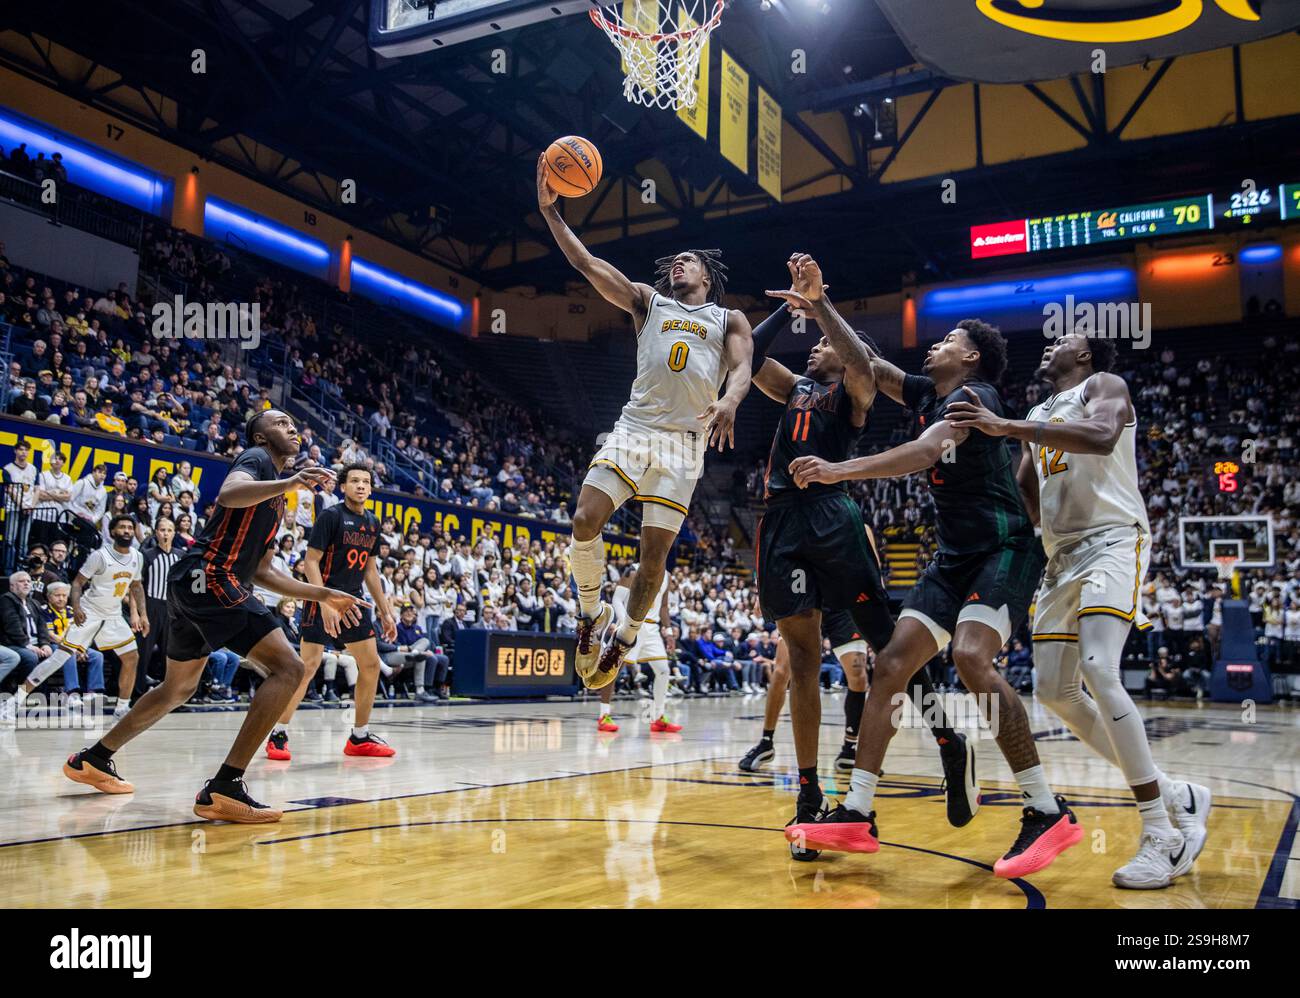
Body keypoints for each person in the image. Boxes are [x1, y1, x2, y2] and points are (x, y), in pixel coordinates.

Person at [784, 309, 1076, 879]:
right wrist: (820, 304)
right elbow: (864, 363)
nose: (934, 345)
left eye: (947, 340)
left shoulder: (973, 394)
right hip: (951, 561)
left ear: (969, 356)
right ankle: (858, 813)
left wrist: (839, 470)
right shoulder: (925, 389)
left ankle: (1046, 808)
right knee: (890, 664)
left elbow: (923, 453)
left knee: (969, 655)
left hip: (1004, 550)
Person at [947, 332, 1212, 888]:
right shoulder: (1039, 413)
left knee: (1098, 669)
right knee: (1053, 692)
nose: (1048, 345)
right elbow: (1022, 493)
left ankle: (1161, 832)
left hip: (1114, 540)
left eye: (1062, 340)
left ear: (1085, 355)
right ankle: (1177, 794)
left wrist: (1008, 428)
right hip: (1060, 557)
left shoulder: (1103, 385)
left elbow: (1101, 434)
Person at [750, 254, 977, 847]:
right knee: (800, 659)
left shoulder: (855, 387)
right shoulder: (793, 388)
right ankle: (807, 789)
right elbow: (744, 355)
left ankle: (947, 738)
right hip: (780, 523)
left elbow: (855, 361)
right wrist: (789, 306)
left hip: (833, 518)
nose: (812, 353)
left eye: (820, 347)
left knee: (885, 644)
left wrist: (821, 304)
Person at [60, 410, 367, 823]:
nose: (292, 427)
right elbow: (228, 493)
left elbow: (261, 572)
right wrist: (292, 482)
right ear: (261, 434)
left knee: (176, 688)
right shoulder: (257, 458)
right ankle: (225, 786)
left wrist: (323, 592)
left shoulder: (275, 500)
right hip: (210, 576)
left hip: (196, 584)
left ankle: (93, 759)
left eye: (295, 424)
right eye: (281, 423)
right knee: (290, 669)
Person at [537, 156, 753, 690]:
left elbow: (745, 368)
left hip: (684, 445)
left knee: (652, 556)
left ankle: (627, 637)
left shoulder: (729, 319)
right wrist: (553, 215)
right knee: (585, 519)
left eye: (689, 261)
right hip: (635, 429)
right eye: (675, 261)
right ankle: (591, 616)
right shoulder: (647, 302)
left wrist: (730, 400)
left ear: (708, 276)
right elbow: (589, 266)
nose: (679, 264)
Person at [267, 462, 398, 760]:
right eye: (354, 481)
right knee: (306, 668)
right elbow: (311, 562)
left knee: (371, 665)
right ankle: (278, 733)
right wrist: (324, 600)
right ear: (343, 486)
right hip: (322, 598)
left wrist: (386, 611)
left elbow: (370, 570)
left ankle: (359, 737)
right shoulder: (330, 516)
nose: (361, 486)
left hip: (353, 602)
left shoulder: (372, 523)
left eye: (366, 481)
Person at [596, 565, 680, 733]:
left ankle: (658, 717)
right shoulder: (633, 570)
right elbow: (617, 599)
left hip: (652, 629)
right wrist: (625, 622)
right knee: (614, 669)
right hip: (631, 625)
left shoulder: (667, 575)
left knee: (663, 670)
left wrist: (669, 632)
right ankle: (603, 715)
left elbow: (663, 607)